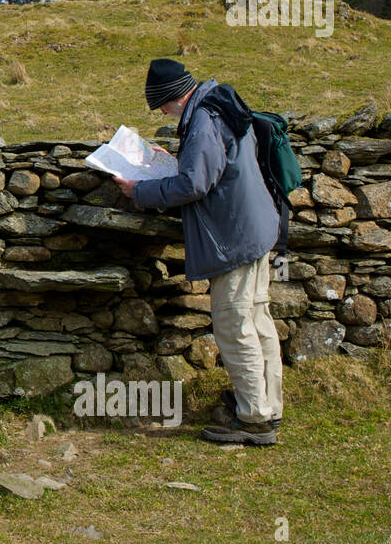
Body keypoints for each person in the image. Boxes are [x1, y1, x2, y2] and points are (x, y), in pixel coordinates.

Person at [113, 58, 284, 446]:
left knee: (234, 325)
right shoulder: (218, 105)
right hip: (254, 229)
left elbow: (194, 184)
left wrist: (138, 191)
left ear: (175, 95)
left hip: (233, 238)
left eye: (161, 103)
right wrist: (172, 161)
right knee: (257, 320)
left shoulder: (203, 118)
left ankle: (254, 418)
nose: (161, 112)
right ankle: (267, 406)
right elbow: (211, 167)